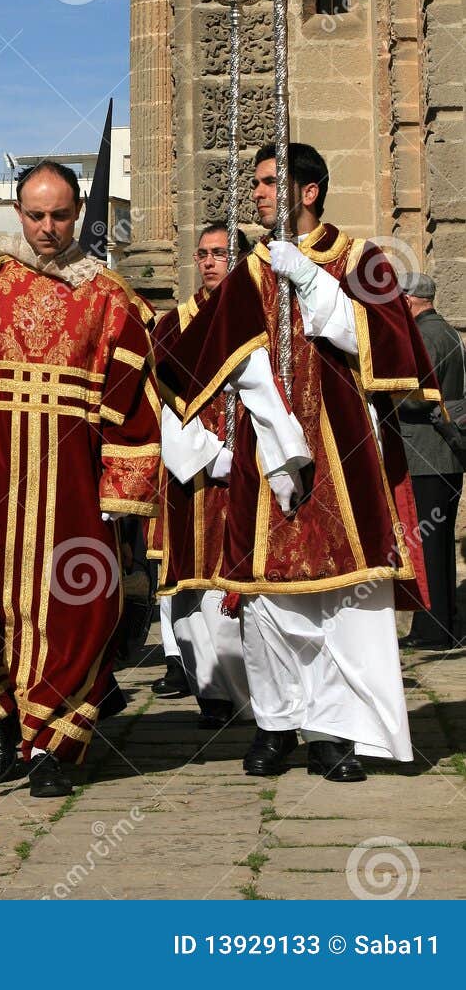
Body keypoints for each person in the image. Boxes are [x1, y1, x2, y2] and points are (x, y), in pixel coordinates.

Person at [156, 142, 440, 783]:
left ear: (307, 191)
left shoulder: (362, 260)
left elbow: (388, 346)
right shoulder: (249, 272)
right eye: (254, 184)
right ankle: (277, 723)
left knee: (346, 600)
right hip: (268, 458)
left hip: (345, 455)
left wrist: (310, 280)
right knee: (269, 604)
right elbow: (195, 350)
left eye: (266, 183)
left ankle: (338, 733)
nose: (255, 194)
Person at [0, 160, 162, 799]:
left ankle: (53, 742)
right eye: (35, 215)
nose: (47, 227)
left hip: (71, 486)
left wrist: (124, 494)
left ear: (77, 212)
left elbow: (135, 401)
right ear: (18, 214)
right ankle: (0, 723)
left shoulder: (110, 299)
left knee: (77, 606)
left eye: (59, 215)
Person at [155, 223, 253, 728]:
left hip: (256, 474)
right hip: (194, 478)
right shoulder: (173, 326)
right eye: (204, 254)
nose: (211, 262)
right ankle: (212, 691)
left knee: (246, 589)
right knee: (193, 592)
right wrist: (214, 457)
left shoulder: (261, 319)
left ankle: (258, 694)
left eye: (221, 254)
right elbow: (165, 404)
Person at [396, 271, 466, 650]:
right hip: (446, 455)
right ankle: (444, 627)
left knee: (426, 547)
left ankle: (433, 631)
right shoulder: (449, 332)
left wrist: (385, 395)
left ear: (410, 301)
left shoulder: (423, 335)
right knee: (436, 545)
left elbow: (417, 395)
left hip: (426, 455)